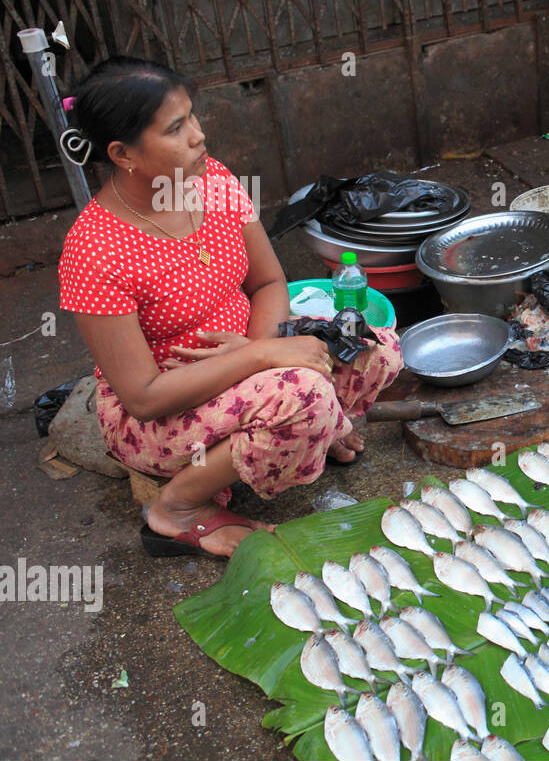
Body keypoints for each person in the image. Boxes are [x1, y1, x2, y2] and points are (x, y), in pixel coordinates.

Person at [57, 57, 402, 559]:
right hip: (167, 411)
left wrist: (262, 348)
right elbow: (145, 398)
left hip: (249, 355)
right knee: (304, 393)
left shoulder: (214, 181)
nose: (199, 135)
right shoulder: (94, 250)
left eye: (193, 116)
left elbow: (268, 282)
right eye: (176, 128)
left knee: (376, 347)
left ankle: (304, 427)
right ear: (123, 153)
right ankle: (176, 510)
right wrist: (263, 358)